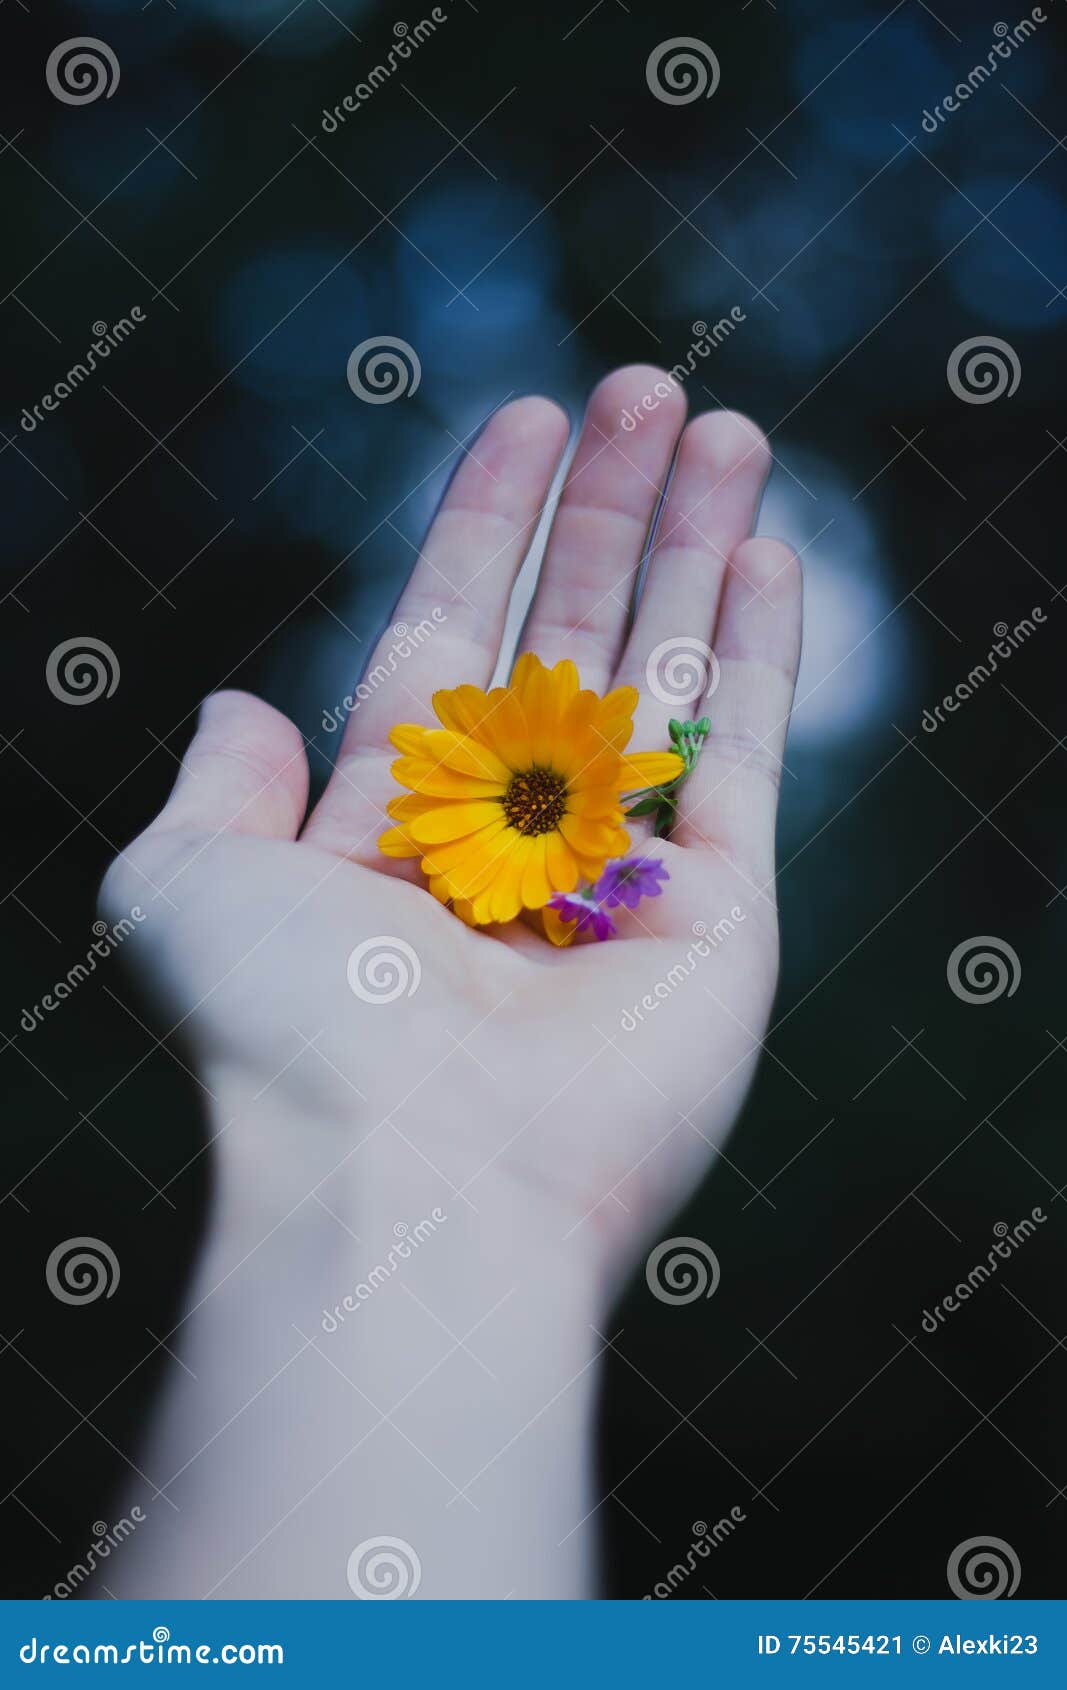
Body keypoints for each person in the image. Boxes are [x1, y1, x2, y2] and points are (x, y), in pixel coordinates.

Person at [99, 366, 803, 1599]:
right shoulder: (482, 796)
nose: (528, 800)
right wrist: (444, 1163)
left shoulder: (562, 793)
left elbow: (561, 793)